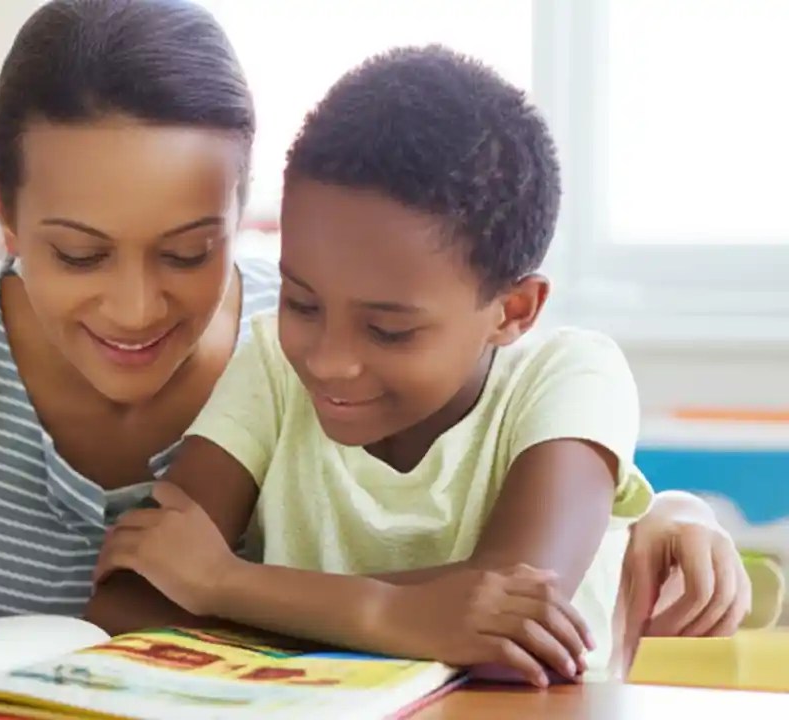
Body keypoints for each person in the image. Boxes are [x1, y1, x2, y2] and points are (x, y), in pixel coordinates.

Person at [0, 0, 745, 660]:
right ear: (2, 212)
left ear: (245, 220)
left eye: (189, 252)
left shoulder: (300, 335)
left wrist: (678, 510)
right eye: (76, 253)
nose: (136, 311)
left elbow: (535, 461)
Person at [89, 44, 753, 687]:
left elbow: (512, 622)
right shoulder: (270, 365)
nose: (329, 360)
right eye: (301, 302)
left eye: (388, 329)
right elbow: (129, 598)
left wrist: (225, 585)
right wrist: (422, 617)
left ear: (512, 309)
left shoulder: (571, 375)